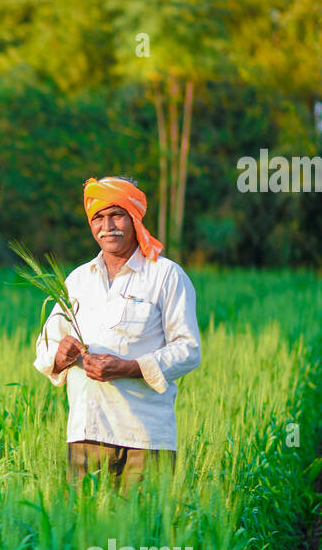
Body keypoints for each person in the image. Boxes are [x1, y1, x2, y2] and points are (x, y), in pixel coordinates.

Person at [32, 176, 201, 487]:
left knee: (144, 532)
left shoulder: (166, 276)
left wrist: (130, 368)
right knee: (86, 531)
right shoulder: (78, 280)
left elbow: (188, 350)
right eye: (98, 217)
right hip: (87, 434)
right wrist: (61, 355)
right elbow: (45, 349)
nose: (107, 225)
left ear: (134, 217)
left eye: (116, 215)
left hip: (146, 438)